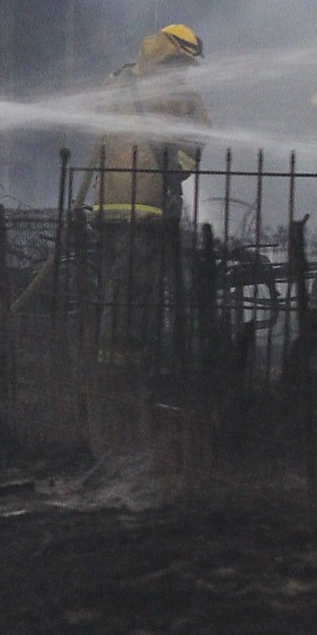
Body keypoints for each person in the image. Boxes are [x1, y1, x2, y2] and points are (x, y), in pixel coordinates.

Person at [79, 24, 209, 376]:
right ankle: (135, 368)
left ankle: (107, 362)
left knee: (112, 288)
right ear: (175, 60)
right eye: (185, 67)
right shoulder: (180, 100)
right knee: (143, 294)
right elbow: (188, 157)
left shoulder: (117, 81)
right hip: (148, 210)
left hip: (106, 207)